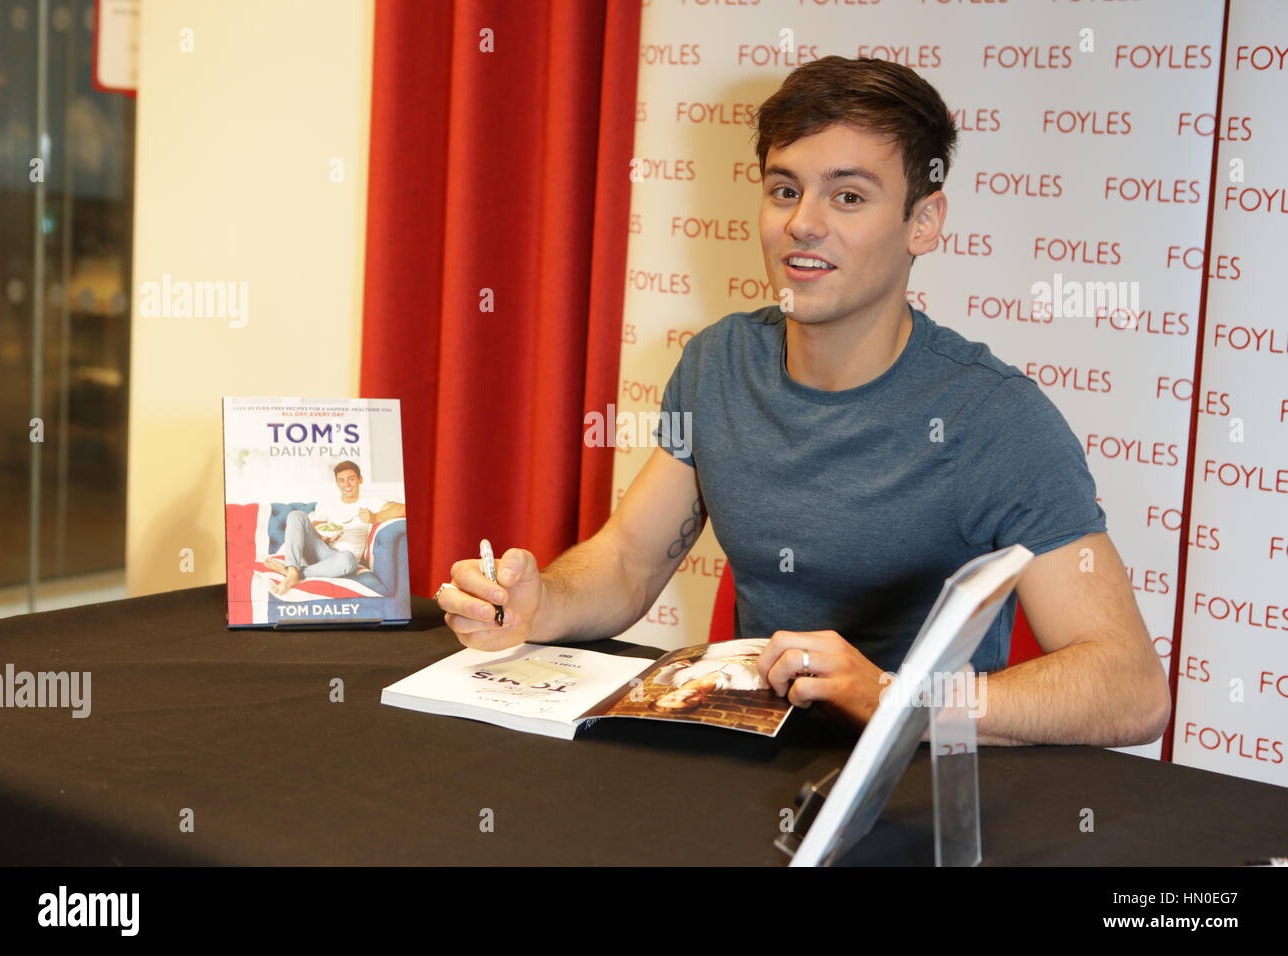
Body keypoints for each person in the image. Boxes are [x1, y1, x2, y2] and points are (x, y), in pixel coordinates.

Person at [435, 56, 1170, 748]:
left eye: (847, 196)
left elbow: (1131, 689)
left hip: (912, 784)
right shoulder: (718, 362)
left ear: (924, 222)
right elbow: (628, 560)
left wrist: (892, 695)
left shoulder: (996, 418)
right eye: (785, 189)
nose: (802, 223)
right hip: (748, 755)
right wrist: (540, 605)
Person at [265, 460, 406, 596]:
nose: (347, 484)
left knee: (348, 559)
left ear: (360, 479)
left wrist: (375, 517)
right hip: (320, 551)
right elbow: (314, 526)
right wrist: (322, 536)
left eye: (351, 479)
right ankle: (293, 569)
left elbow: (404, 509)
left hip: (342, 560)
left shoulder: (371, 502)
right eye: (341, 480)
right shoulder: (328, 503)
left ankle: (295, 572)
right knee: (296, 514)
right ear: (337, 483)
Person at [648, 639, 770, 714]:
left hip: (733, 640)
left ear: (662, 695)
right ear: (704, 700)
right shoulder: (745, 684)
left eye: (673, 699)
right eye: (689, 702)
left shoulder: (668, 676)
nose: (684, 697)